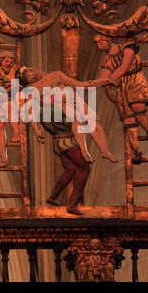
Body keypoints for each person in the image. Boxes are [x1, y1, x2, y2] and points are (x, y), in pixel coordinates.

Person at [17, 65, 116, 215]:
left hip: (70, 108)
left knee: (93, 123)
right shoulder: (33, 90)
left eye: (30, 71)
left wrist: (104, 82)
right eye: (27, 77)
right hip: (63, 120)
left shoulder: (55, 75)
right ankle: (84, 152)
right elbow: (31, 110)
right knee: (83, 167)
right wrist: (37, 130)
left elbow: (81, 85)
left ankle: (105, 151)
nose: (31, 75)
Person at [94, 36, 148, 164]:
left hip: (135, 80)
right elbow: (103, 77)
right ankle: (137, 151)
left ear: (109, 40)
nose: (99, 46)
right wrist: (97, 84)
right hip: (122, 87)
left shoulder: (126, 48)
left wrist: (110, 79)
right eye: (97, 44)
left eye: (101, 43)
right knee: (128, 118)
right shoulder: (108, 60)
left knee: (138, 105)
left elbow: (124, 67)